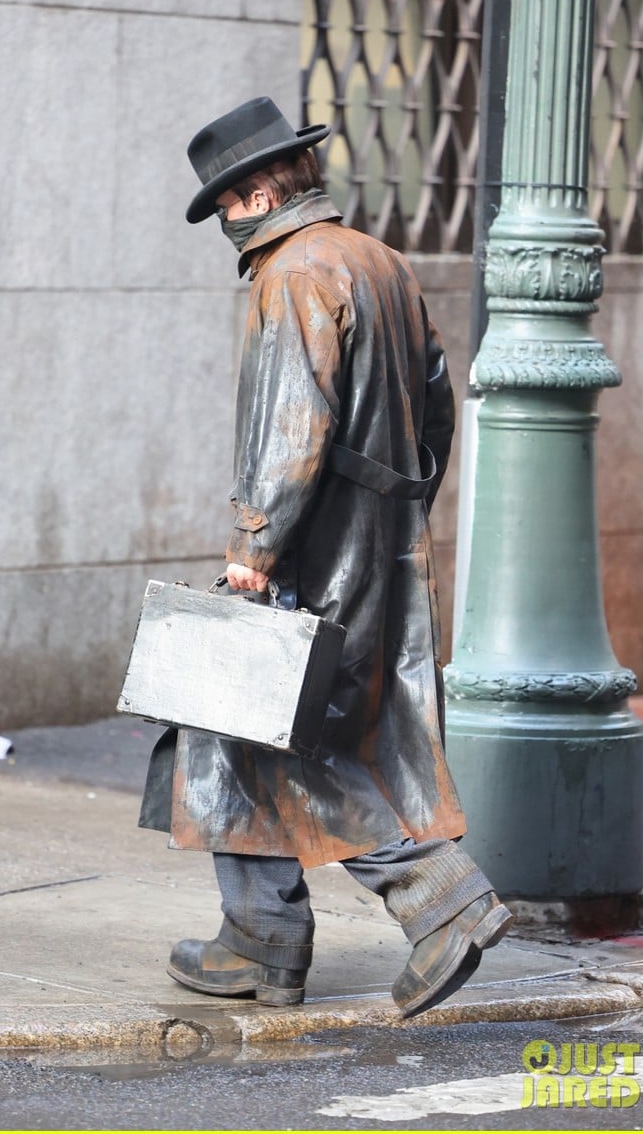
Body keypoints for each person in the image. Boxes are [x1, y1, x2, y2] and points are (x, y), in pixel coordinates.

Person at [138, 96, 512, 1017]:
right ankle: (260, 936)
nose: (226, 221)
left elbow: (290, 420)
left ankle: (443, 899)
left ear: (259, 192)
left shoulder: (295, 272)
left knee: (294, 733)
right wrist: (398, 508)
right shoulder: (376, 260)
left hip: (312, 544)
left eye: (226, 203)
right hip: (375, 541)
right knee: (235, 722)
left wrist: (253, 546)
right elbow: (434, 407)